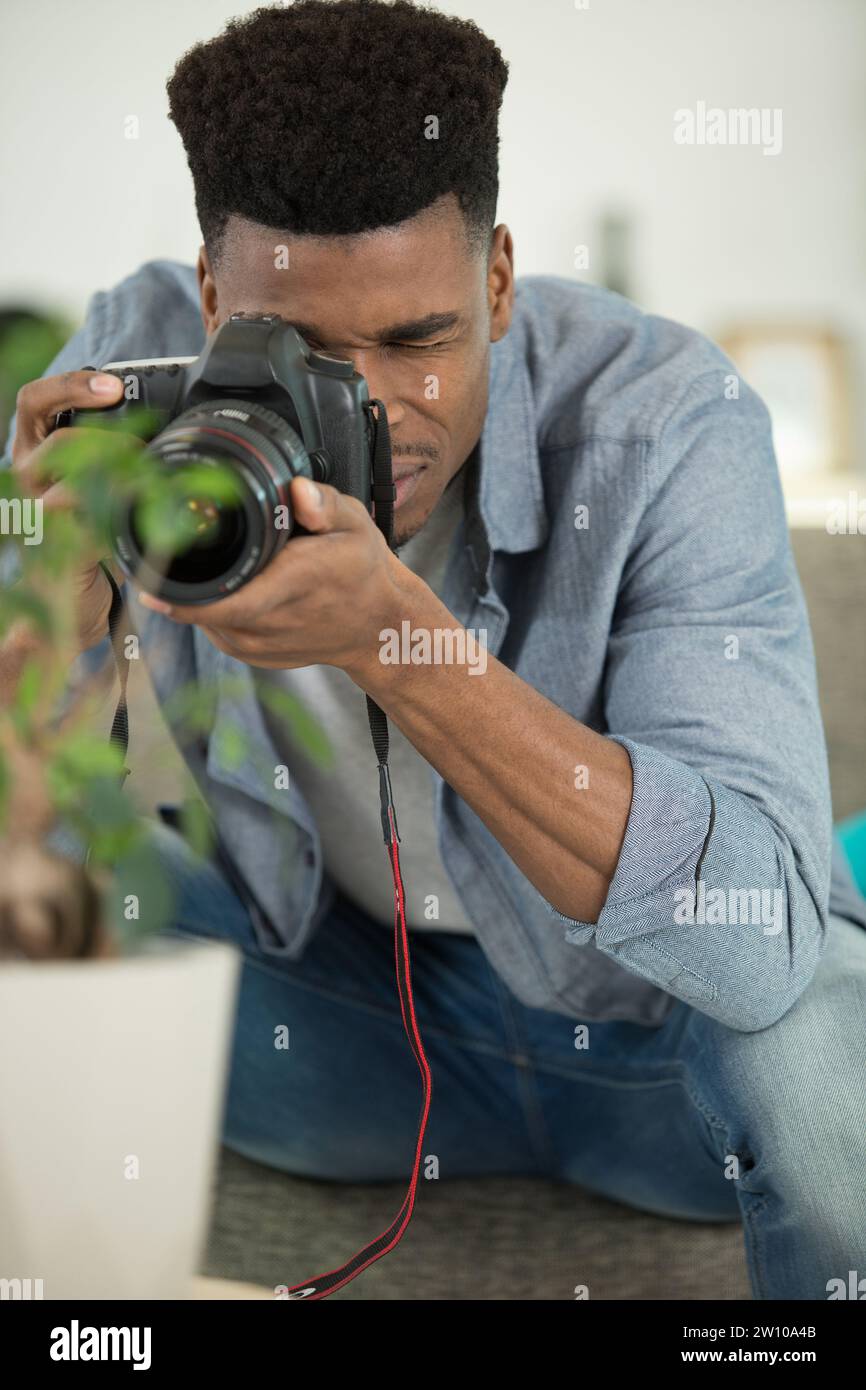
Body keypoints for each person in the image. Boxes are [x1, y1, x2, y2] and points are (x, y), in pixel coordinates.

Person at [3, 0, 865, 1300]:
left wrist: (397, 642)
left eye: (417, 341)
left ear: (499, 278)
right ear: (208, 297)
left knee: (814, 979)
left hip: (656, 1066)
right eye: (298, 357)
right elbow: (38, 842)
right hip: (333, 1051)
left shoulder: (666, 417)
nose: (375, 408)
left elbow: (758, 955)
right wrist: (42, 612)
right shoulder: (130, 372)